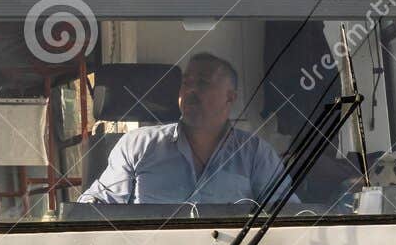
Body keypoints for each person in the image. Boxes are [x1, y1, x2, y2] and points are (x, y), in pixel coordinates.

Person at [80, 52, 288, 209]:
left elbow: (289, 217)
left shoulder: (255, 154)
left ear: (230, 97)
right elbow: (96, 208)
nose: (190, 90)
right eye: (186, 83)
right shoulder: (137, 145)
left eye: (203, 83)